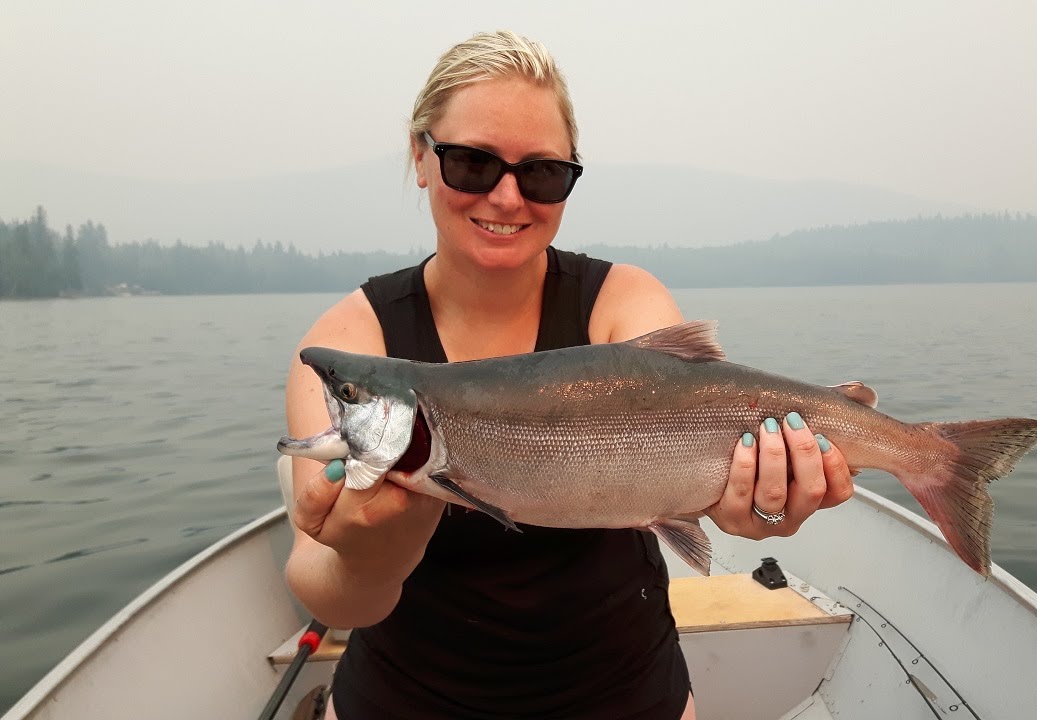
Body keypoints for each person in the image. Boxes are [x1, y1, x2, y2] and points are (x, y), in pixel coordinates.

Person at [284, 30, 854, 720]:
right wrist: (372, 556)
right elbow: (327, 588)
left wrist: (753, 505)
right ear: (420, 157)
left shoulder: (625, 303)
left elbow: (695, 438)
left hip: (627, 698)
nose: (506, 197)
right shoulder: (349, 344)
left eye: (543, 173)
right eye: (471, 163)